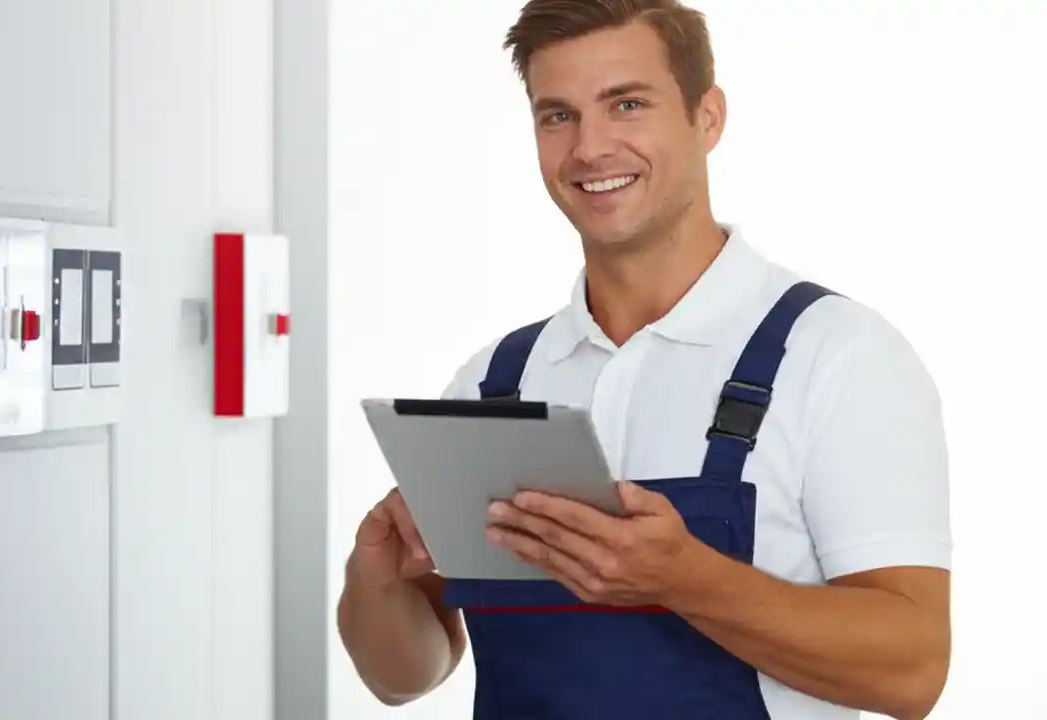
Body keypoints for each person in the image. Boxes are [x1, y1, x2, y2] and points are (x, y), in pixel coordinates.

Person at [336, 1, 952, 718]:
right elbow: (404, 676)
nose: (590, 148)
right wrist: (375, 578)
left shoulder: (836, 357)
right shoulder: (494, 383)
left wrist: (684, 580)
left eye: (626, 104)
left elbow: (913, 672)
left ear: (707, 117)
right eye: (558, 116)